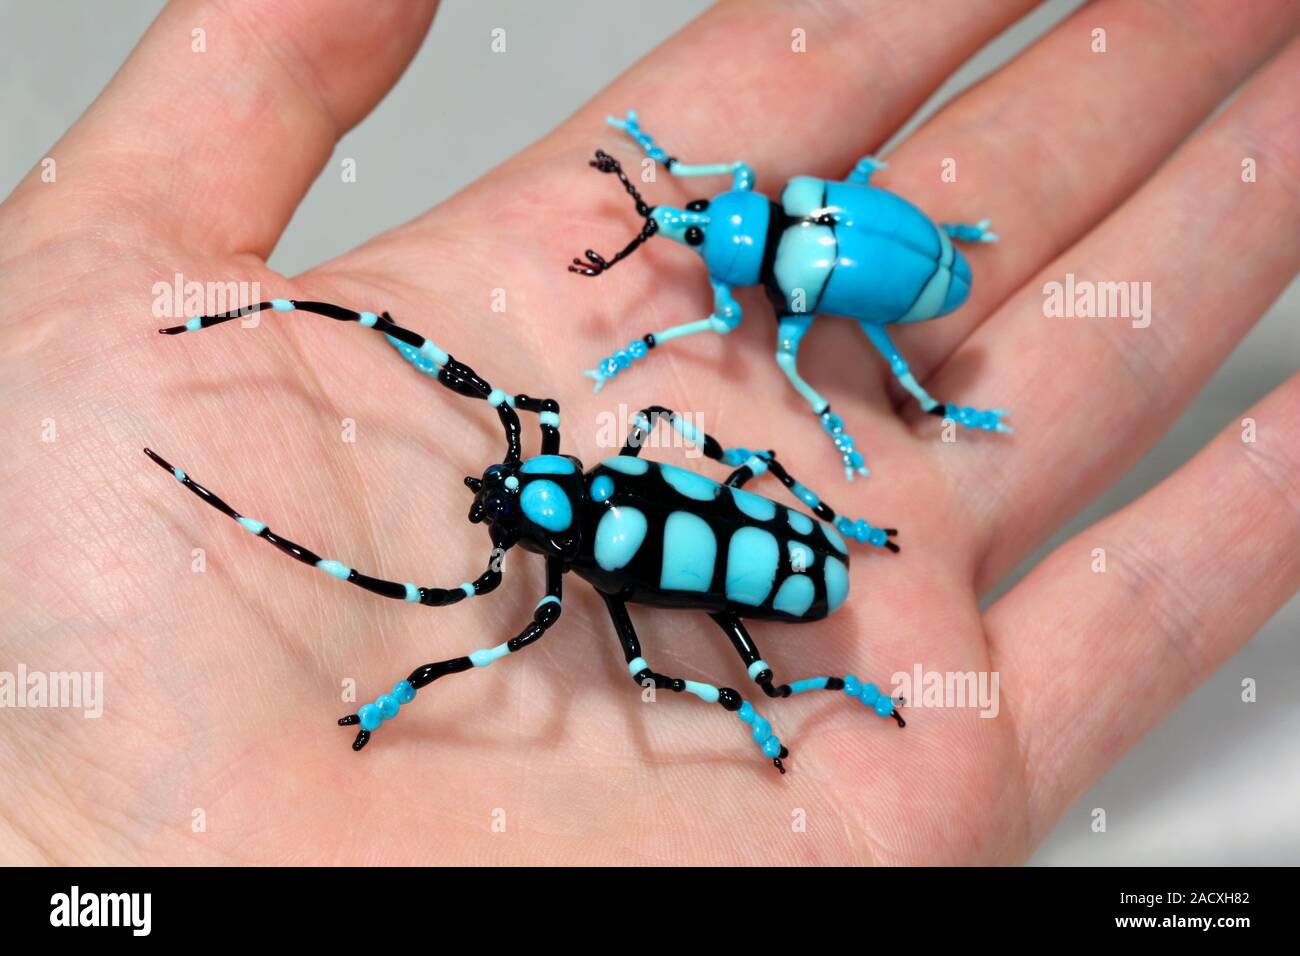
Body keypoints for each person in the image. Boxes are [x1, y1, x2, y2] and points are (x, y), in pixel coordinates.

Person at [0, 0, 1296, 865]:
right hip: (779, 548)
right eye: (521, 492)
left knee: (673, 660)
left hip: (781, 550)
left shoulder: (569, 554)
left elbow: (629, 500)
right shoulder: (573, 473)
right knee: (693, 635)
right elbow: (681, 462)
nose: (504, 493)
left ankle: (807, 674)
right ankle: (813, 672)